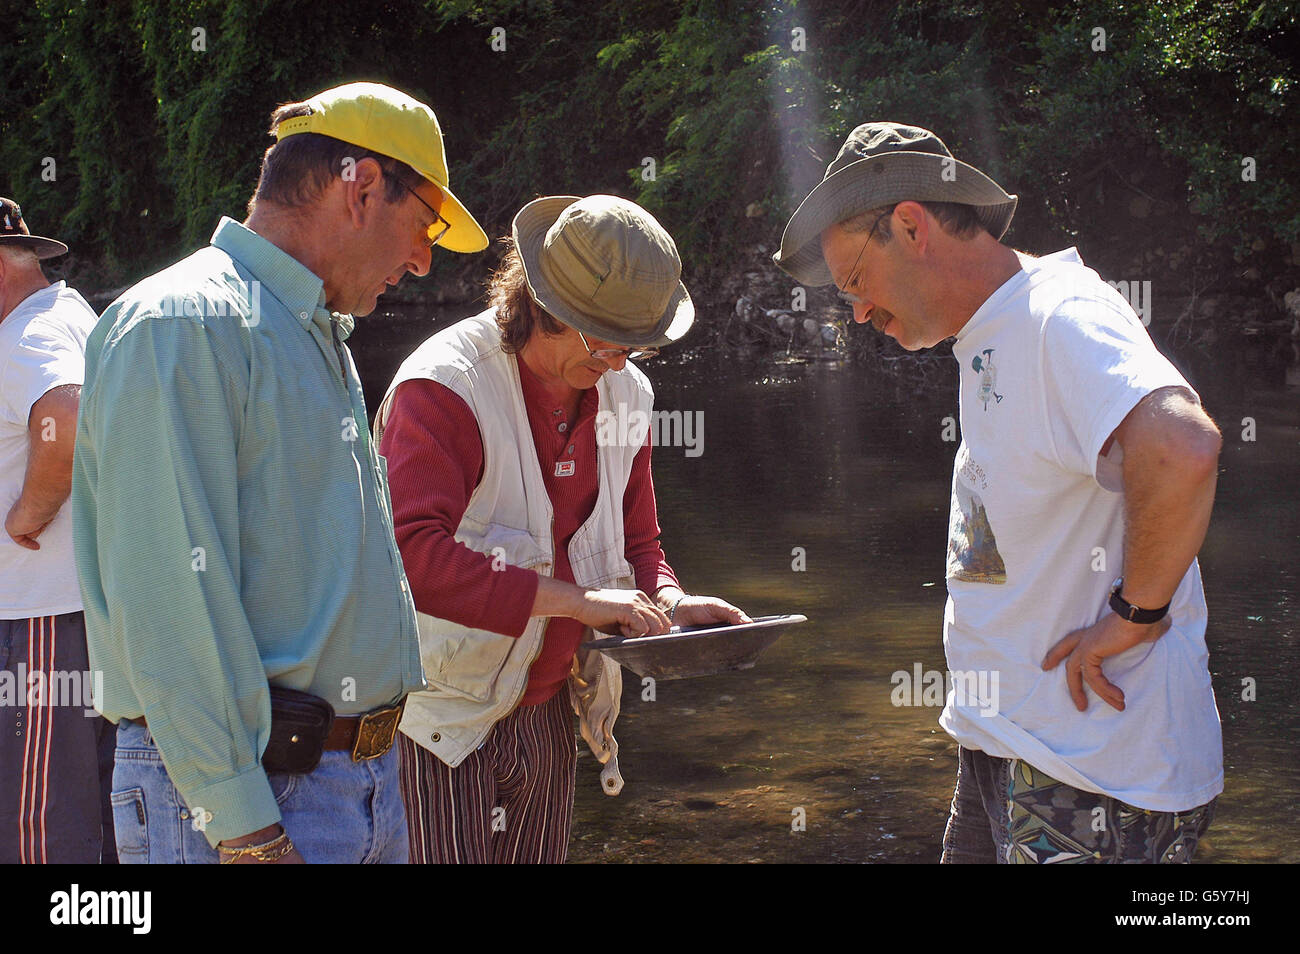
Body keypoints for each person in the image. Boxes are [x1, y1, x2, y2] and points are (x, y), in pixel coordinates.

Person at [774, 123, 1223, 863]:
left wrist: (1135, 616)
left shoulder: (1058, 318)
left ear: (910, 226)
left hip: (1093, 777)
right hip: (1005, 745)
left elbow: (1182, 447)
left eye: (854, 281)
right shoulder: (993, 331)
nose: (856, 312)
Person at [71, 82, 488, 864]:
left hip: (352, 785)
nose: (425, 259)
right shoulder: (181, 325)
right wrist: (249, 835)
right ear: (360, 187)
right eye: (423, 224)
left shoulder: (307, 326)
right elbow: (171, 604)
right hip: (252, 803)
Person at [376, 194, 749, 864]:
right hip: (435, 723)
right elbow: (412, 559)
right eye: (605, 342)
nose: (617, 364)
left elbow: (640, 545)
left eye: (634, 346)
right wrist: (577, 603)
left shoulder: (628, 394)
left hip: (547, 713)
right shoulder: (444, 388)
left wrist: (669, 602)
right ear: (546, 309)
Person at [0, 197, 115, 863]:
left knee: (37, 829)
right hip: (79, 614)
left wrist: (28, 512)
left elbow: (67, 420)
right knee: (86, 807)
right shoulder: (68, 313)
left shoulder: (26, 336)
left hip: (40, 623)